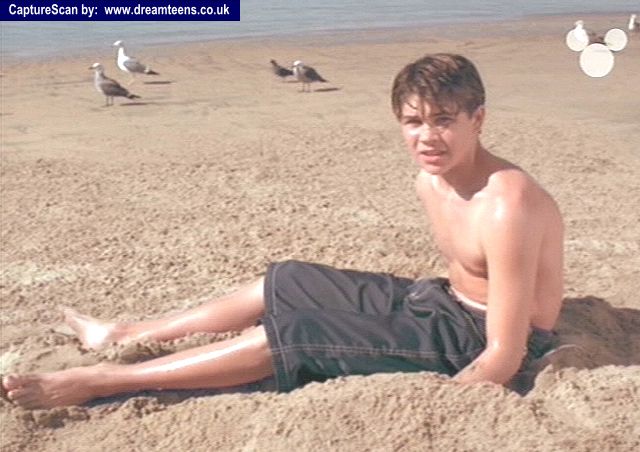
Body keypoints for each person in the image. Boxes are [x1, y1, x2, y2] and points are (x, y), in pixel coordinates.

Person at [1, 53, 563, 410]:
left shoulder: (506, 205)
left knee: (298, 329)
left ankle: (102, 380)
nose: (427, 137)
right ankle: (123, 334)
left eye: (444, 120)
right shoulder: (430, 179)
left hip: (481, 334)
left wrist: (443, 402)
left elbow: (505, 353)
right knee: (289, 280)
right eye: (414, 122)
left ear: (477, 119)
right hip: (441, 303)